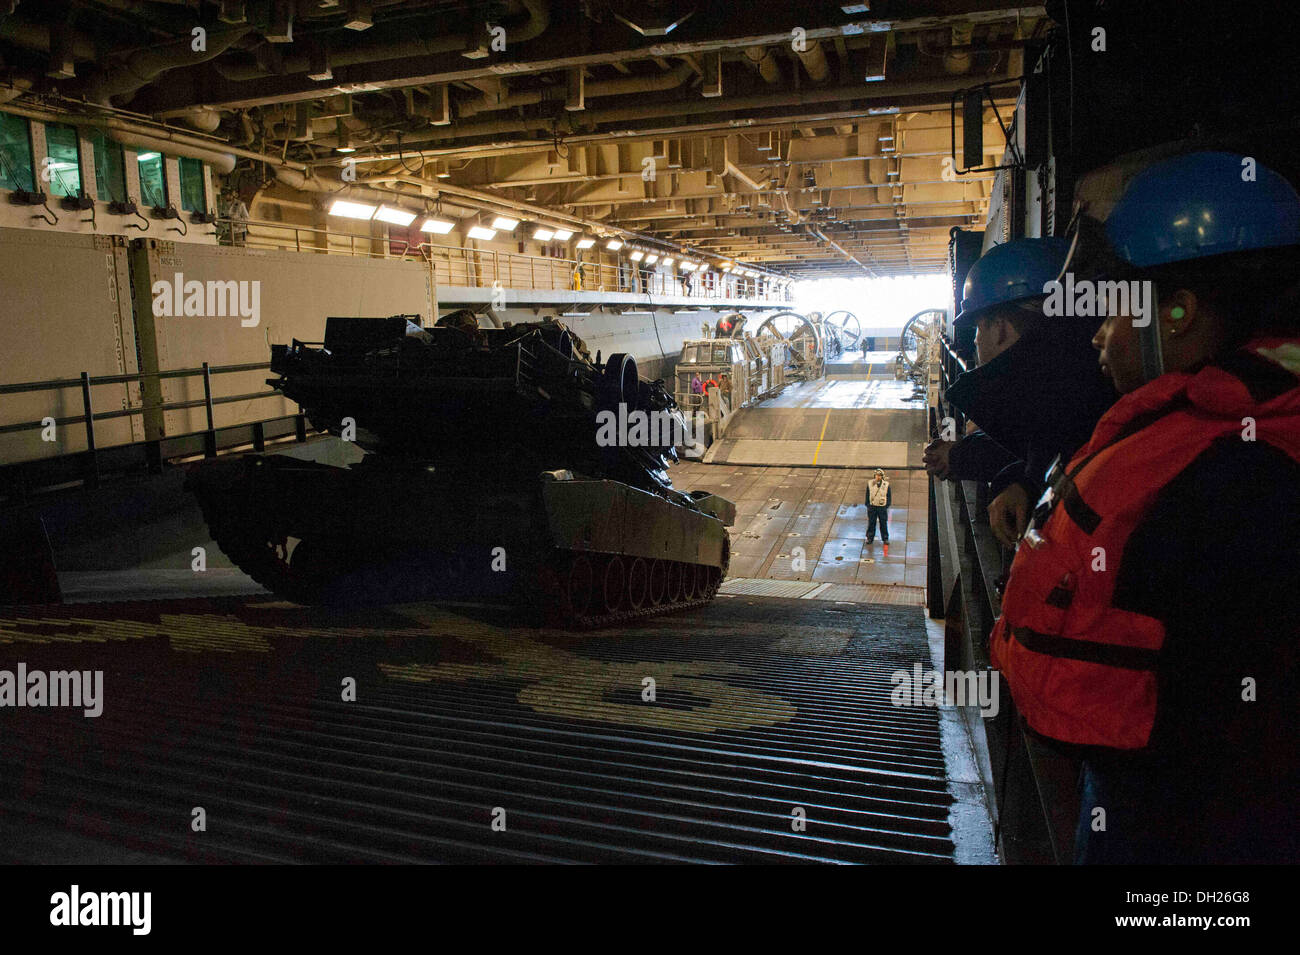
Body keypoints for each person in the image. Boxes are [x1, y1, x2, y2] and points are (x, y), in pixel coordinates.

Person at [990, 150, 1300, 864]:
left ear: (1181, 312)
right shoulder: (1219, 430)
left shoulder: (1239, 473)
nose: (1099, 337)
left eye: (1114, 315)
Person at [928, 237, 1116, 547]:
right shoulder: (1078, 398)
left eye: (978, 328)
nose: (974, 341)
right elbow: (1042, 451)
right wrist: (1023, 483)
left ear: (1000, 327)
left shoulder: (1054, 404)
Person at [865, 468, 891, 553]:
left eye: (879, 475)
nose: (878, 477)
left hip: (881, 507)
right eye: (876, 475)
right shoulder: (870, 483)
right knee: (871, 523)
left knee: (883, 523)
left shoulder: (886, 484)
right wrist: (868, 505)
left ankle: (885, 538)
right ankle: (870, 538)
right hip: (872, 506)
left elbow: (888, 496)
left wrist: (886, 505)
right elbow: (867, 494)